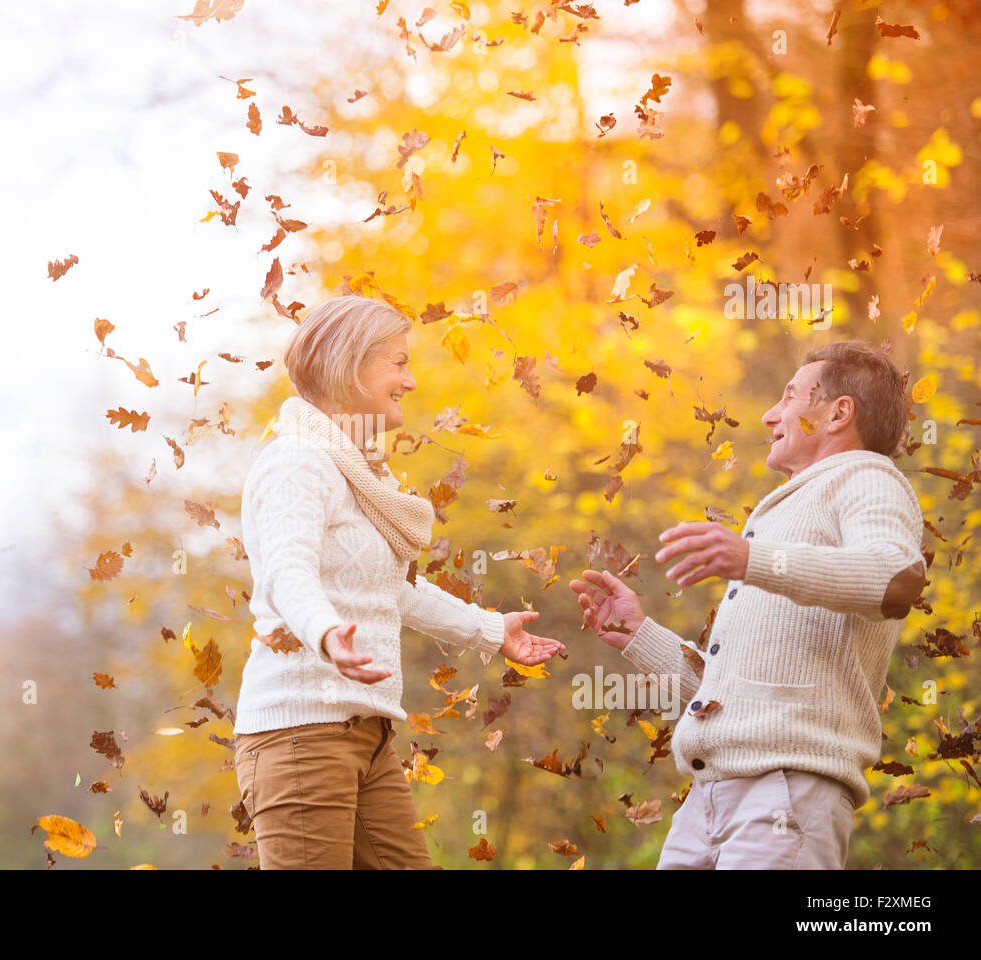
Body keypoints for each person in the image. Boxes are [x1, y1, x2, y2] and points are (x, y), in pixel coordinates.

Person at [234, 294, 564, 869]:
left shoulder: (358, 472)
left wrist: (490, 630)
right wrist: (326, 631)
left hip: (365, 731)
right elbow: (289, 571)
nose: (410, 381)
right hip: (301, 731)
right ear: (347, 365)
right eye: (398, 362)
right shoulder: (298, 462)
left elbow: (393, 589)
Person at [571, 340, 925, 870]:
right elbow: (733, 697)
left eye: (789, 397)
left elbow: (897, 578)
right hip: (707, 800)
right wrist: (642, 637)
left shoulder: (867, 478)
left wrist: (753, 559)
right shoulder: (787, 512)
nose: (769, 414)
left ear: (838, 413)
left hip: (787, 795)